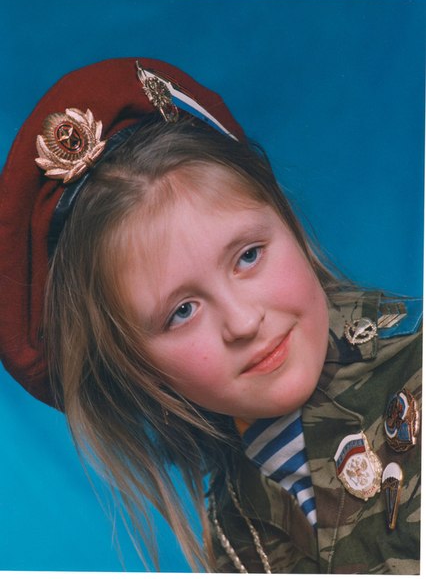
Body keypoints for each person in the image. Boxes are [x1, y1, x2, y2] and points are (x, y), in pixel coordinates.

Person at [0, 57, 421, 574]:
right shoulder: (234, 541)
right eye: (182, 311)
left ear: (286, 220)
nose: (242, 322)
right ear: (136, 369)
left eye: (248, 256)